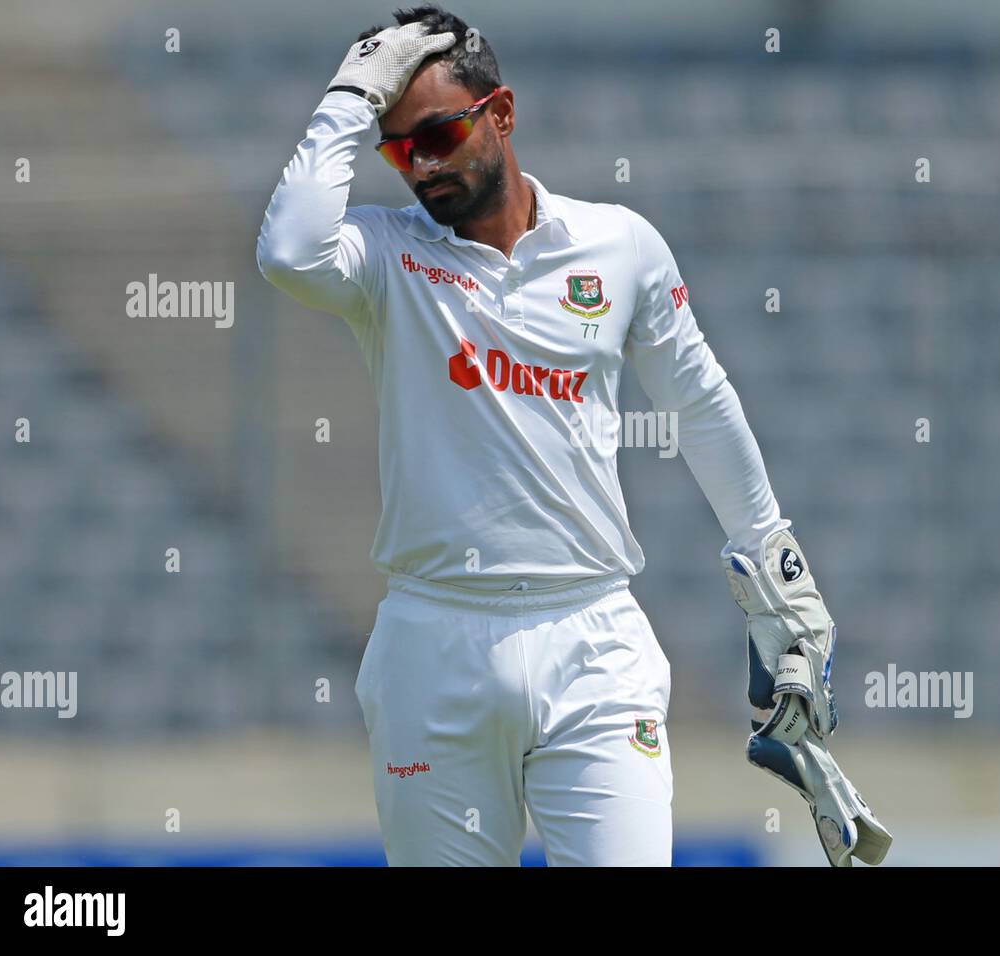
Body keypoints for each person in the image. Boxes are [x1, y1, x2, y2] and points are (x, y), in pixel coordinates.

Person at [256, 4, 890, 866]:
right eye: (400, 148)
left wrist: (772, 561)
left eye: (439, 133)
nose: (423, 165)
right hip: (432, 646)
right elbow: (289, 250)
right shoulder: (383, 256)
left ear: (503, 113)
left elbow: (700, 403)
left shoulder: (618, 245)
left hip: (593, 640)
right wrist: (351, 94)